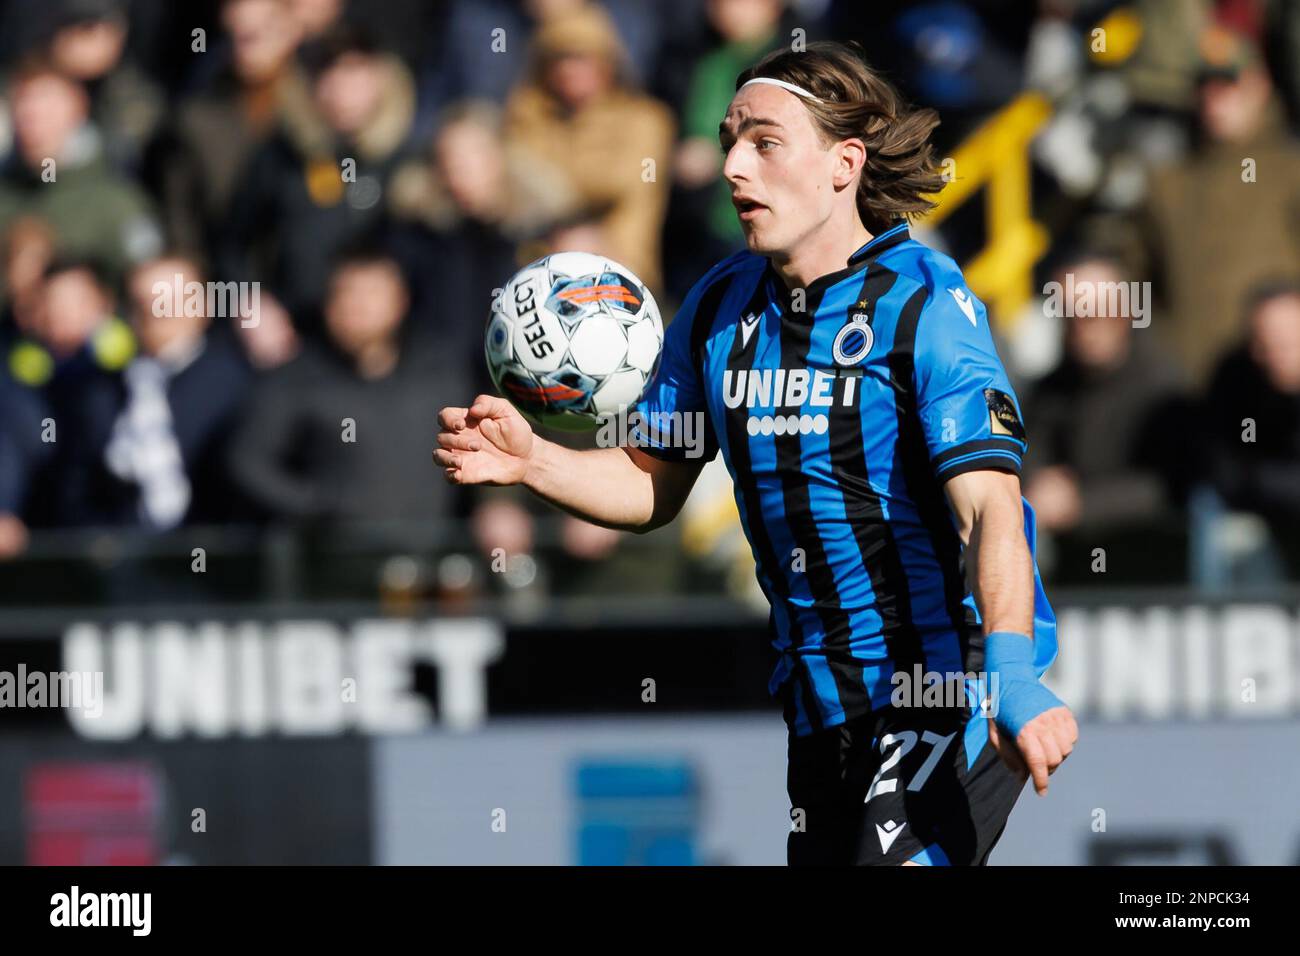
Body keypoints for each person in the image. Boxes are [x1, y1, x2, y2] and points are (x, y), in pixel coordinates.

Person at [436, 41, 1077, 866]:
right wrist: (534, 463)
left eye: (764, 142)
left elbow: (990, 504)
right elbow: (652, 482)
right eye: (730, 139)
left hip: (946, 689)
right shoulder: (715, 307)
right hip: (818, 706)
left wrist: (1014, 673)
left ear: (843, 164)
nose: (733, 166)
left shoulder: (925, 302)